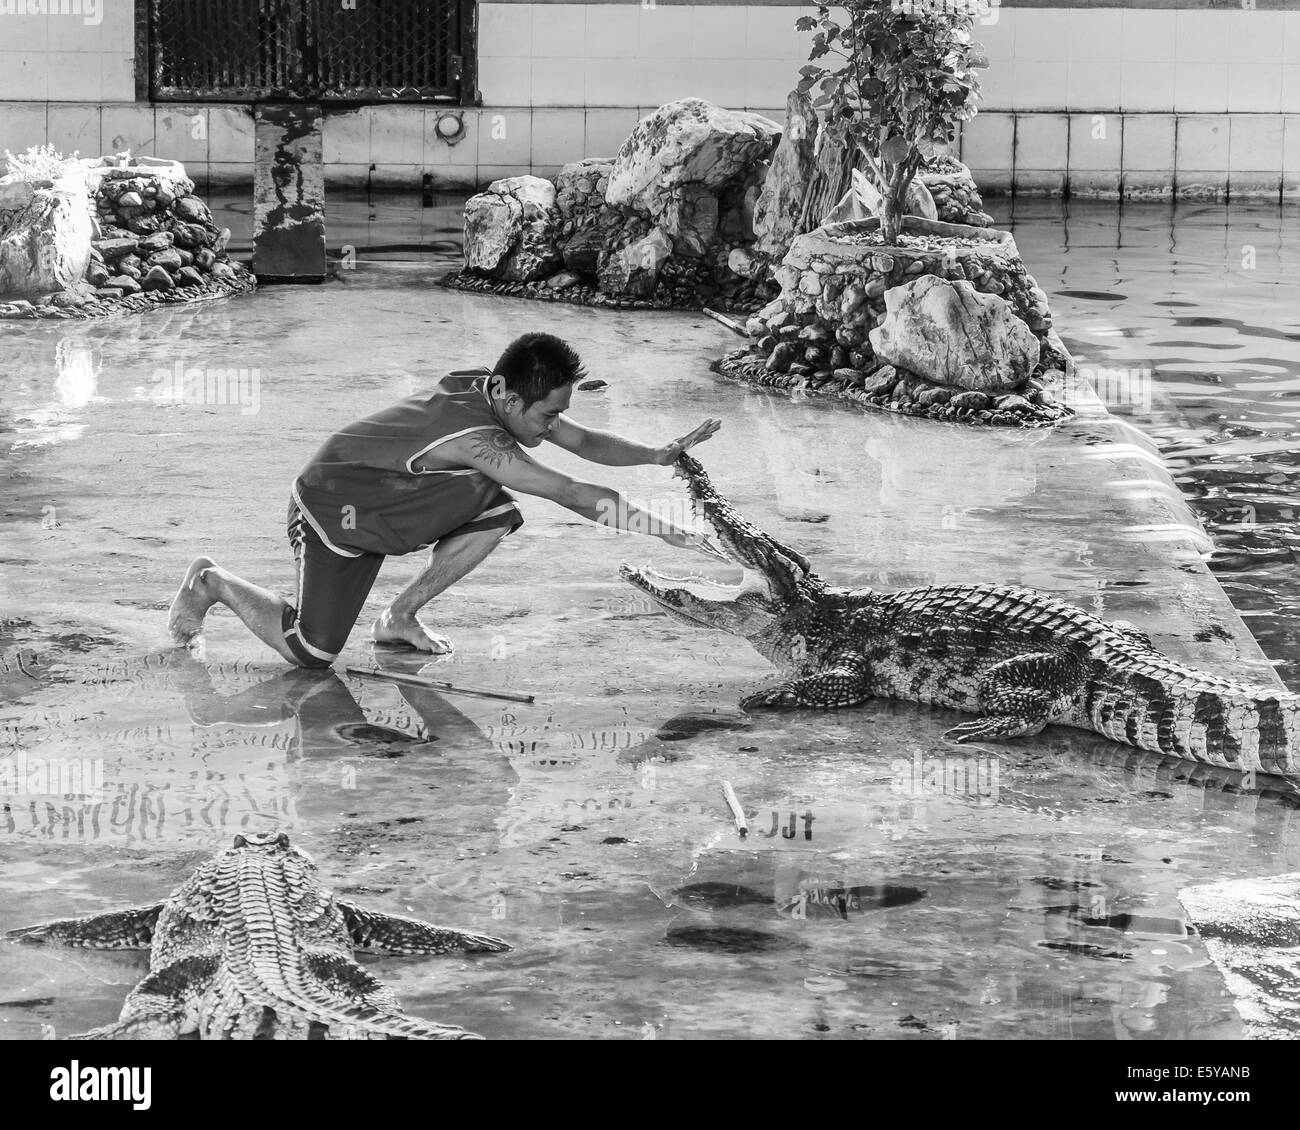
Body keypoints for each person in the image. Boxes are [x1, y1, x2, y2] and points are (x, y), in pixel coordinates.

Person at [168, 332, 723, 668]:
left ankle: (398, 616)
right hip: (331, 512)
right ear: (506, 394)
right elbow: (573, 493)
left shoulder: (501, 394)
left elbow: (583, 443)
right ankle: (212, 581)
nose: (555, 425)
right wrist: (674, 531)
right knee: (313, 655)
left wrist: (657, 454)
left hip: (394, 501)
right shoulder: (478, 438)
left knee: (495, 510)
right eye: (548, 414)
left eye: (558, 411)